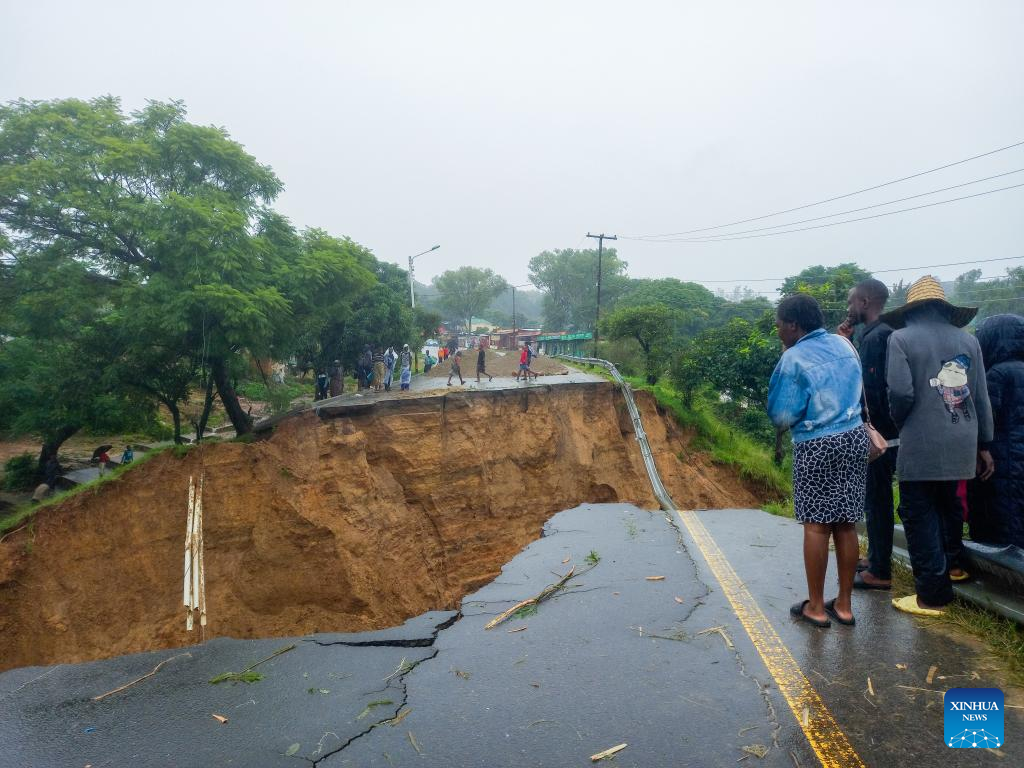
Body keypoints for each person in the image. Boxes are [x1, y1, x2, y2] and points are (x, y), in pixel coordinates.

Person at [882, 276, 994, 617]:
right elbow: (980, 397)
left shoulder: (900, 338)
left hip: (921, 440)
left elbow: (900, 394)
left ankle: (931, 596)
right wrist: (984, 444)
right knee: (950, 509)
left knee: (918, 513)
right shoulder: (968, 341)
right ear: (945, 309)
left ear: (911, 310)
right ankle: (949, 574)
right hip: (963, 440)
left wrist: (904, 422)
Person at [768, 294, 868, 628]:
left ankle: (814, 606)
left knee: (816, 524)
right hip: (854, 438)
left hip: (817, 443)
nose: (778, 329)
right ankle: (844, 605)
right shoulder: (844, 345)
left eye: (780, 324)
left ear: (793, 325)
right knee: (846, 523)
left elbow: (782, 415)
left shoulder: (794, 358)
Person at [838, 279, 900, 591]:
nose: (848, 309)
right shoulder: (873, 335)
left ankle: (880, 570)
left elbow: (873, 392)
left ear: (864, 302)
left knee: (877, 500)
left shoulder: (880, 337)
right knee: (874, 498)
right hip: (882, 432)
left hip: (881, 435)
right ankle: (875, 557)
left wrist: (867, 427)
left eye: (851, 302)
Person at [967, 314, 1024, 549]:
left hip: (1000, 457)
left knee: (1001, 512)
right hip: (1018, 454)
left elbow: (985, 417)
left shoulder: (996, 375)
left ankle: (1002, 571)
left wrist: (982, 448)